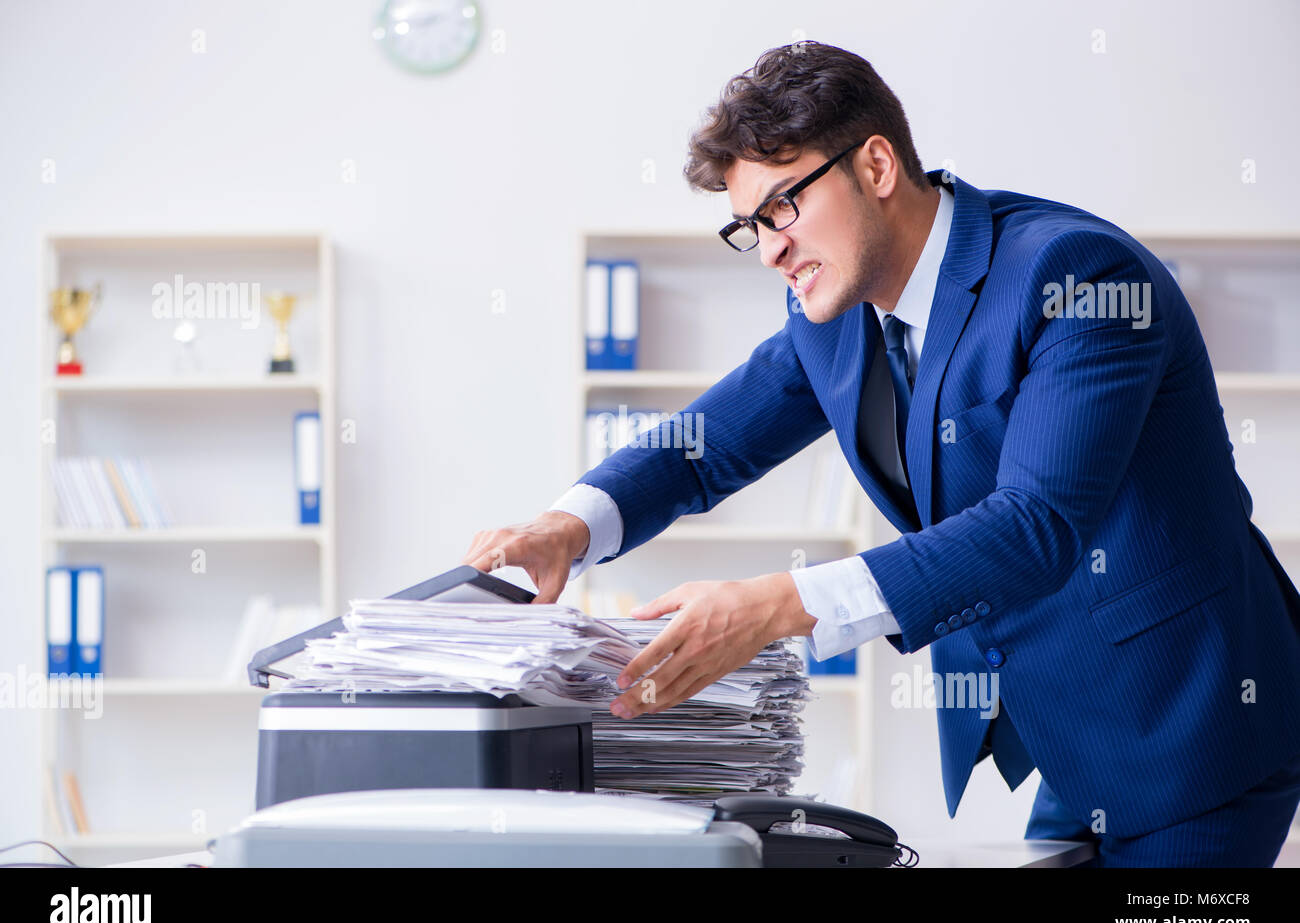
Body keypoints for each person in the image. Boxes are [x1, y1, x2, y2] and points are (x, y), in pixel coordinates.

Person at [462, 41, 1300, 866]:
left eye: (783, 206)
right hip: (1071, 727)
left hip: (1195, 719)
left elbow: (1037, 522)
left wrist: (779, 603)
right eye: (749, 226)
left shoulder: (1074, 275)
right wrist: (568, 524)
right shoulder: (835, 314)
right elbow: (701, 448)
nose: (770, 249)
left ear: (875, 165)